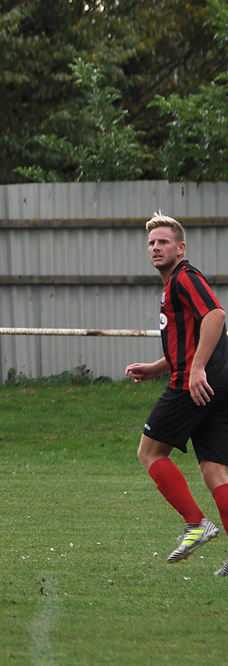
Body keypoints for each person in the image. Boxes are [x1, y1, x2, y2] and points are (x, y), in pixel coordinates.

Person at [125, 214, 228, 574]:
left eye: (164, 242)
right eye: (152, 243)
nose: (156, 247)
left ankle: (196, 523)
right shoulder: (173, 284)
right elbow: (189, 340)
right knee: (215, 469)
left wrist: (195, 369)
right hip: (214, 381)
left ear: (180, 247)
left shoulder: (185, 277)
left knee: (149, 451)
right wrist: (157, 366)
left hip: (195, 381)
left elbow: (215, 315)